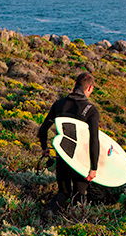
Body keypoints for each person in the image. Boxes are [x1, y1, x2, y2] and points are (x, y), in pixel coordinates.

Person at [37, 71, 101, 216]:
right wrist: (94, 167)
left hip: (63, 156)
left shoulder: (59, 104)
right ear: (89, 88)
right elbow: (94, 140)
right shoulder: (91, 110)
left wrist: (45, 148)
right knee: (79, 194)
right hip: (80, 160)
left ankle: (50, 213)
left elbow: (43, 129)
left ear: (76, 85)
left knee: (63, 192)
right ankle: (72, 226)